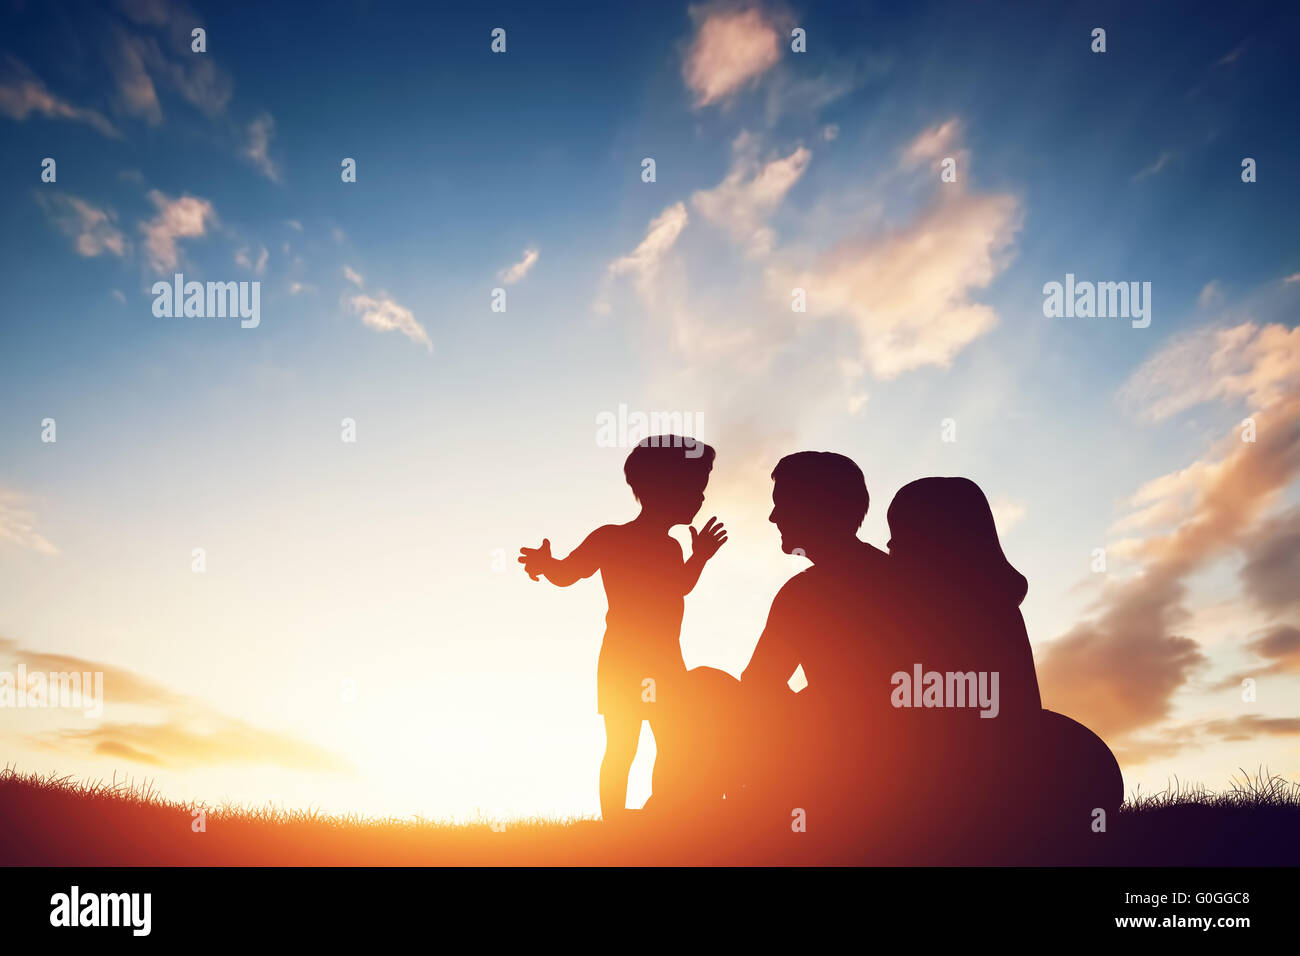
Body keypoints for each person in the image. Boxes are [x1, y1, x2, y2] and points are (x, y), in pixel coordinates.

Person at [518, 435, 727, 821]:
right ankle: (614, 824)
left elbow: (679, 586)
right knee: (623, 746)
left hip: (664, 661)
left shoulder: (671, 548)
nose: (700, 497)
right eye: (695, 487)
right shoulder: (611, 537)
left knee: (672, 743)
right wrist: (546, 564)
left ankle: (663, 815)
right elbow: (568, 573)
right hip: (625, 663)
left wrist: (699, 556)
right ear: (662, 488)